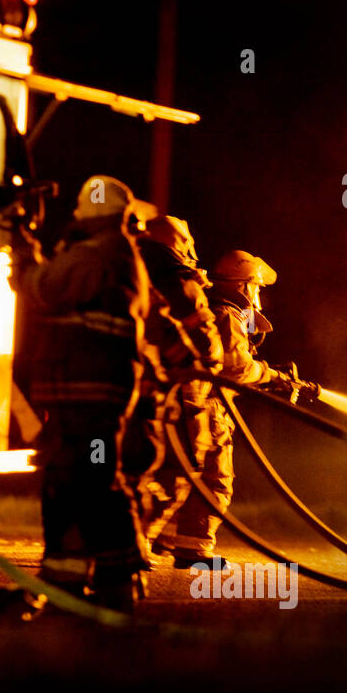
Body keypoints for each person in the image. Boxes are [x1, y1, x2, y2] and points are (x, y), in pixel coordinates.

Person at [17, 175, 158, 611]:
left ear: (90, 215)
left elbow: (41, 288)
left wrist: (21, 251)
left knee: (94, 483)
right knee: (69, 482)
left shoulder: (95, 256)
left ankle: (119, 579)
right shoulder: (112, 254)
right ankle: (67, 582)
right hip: (83, 395)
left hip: (88, 395)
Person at [152, 249, 318, 569]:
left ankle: (176, 544)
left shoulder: (221, 312)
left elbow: (235, 363)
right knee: (214, 479)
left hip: (202, 404)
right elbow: (236, 367)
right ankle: (178, 548)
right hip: (209, 407)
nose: (258, 294)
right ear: (244, 287)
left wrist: (274, 377)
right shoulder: (227, 315)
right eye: (256, 287)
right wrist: (272, 376)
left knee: (190, 478)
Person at [120, 213, 222, 556]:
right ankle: (138, 541)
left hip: (143, 387)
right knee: (180, 471)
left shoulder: (135, 274)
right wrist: (209, 370)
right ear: (181, 244)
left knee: (142, 466)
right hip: (184, 390)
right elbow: (206, 341)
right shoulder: (181, 283)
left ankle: (135, 539)